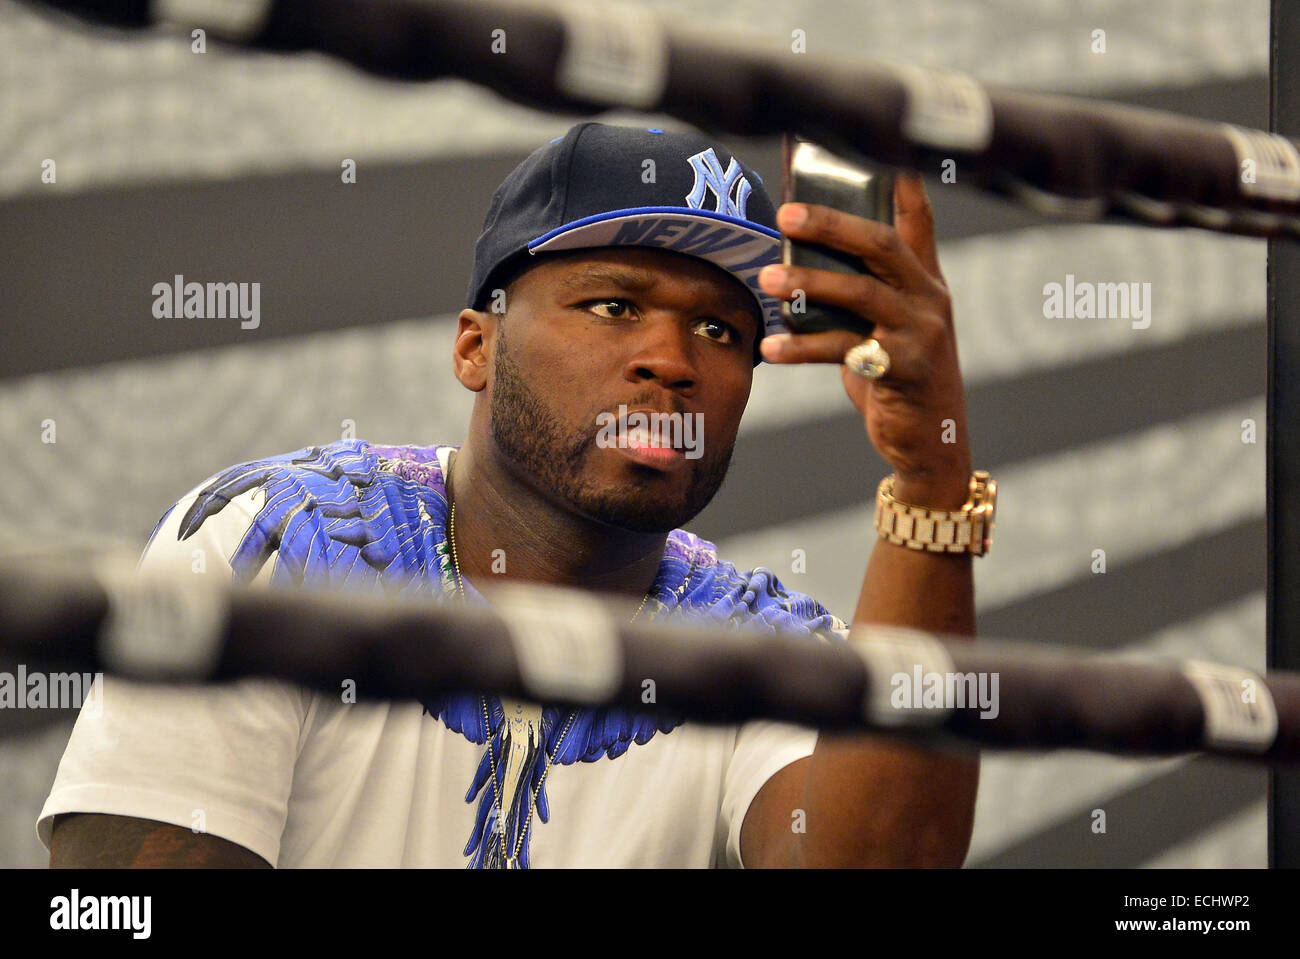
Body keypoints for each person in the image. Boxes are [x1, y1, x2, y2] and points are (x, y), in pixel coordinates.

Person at [39, 121, 988, 868]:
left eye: (720, 329)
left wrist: (929, 477)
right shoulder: (277, 544)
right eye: (614, 305)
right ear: (475, 346)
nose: (672, 360)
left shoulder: (763, 643)